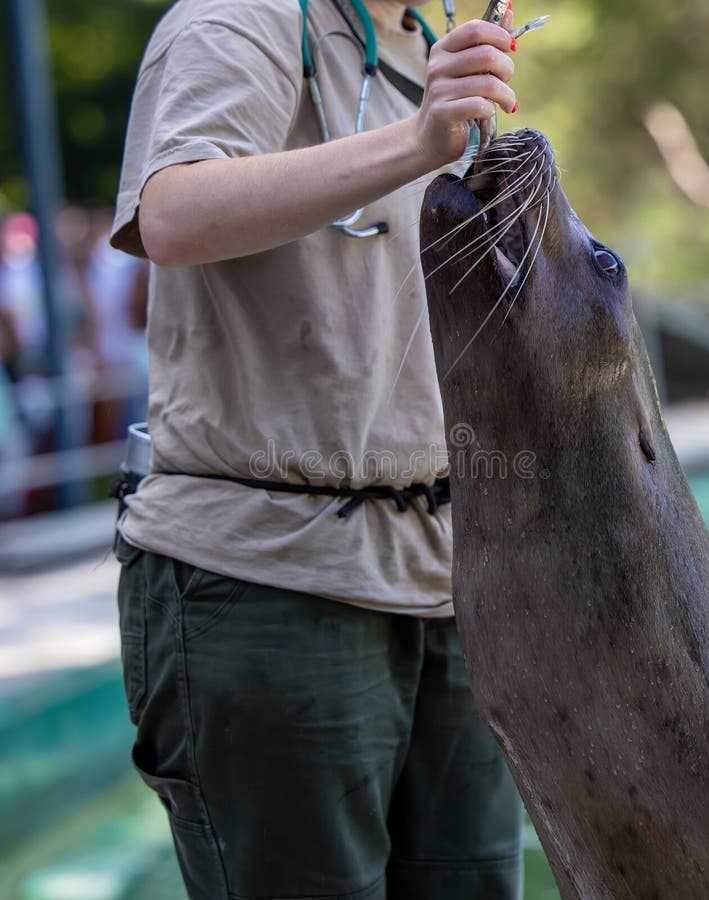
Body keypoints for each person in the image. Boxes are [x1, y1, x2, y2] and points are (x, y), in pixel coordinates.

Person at [111, 2, 523, 898]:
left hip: (450, 583)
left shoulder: (438, 32)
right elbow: (171, 215)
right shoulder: (235, 19)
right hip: (267, 580)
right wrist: (418, 141)